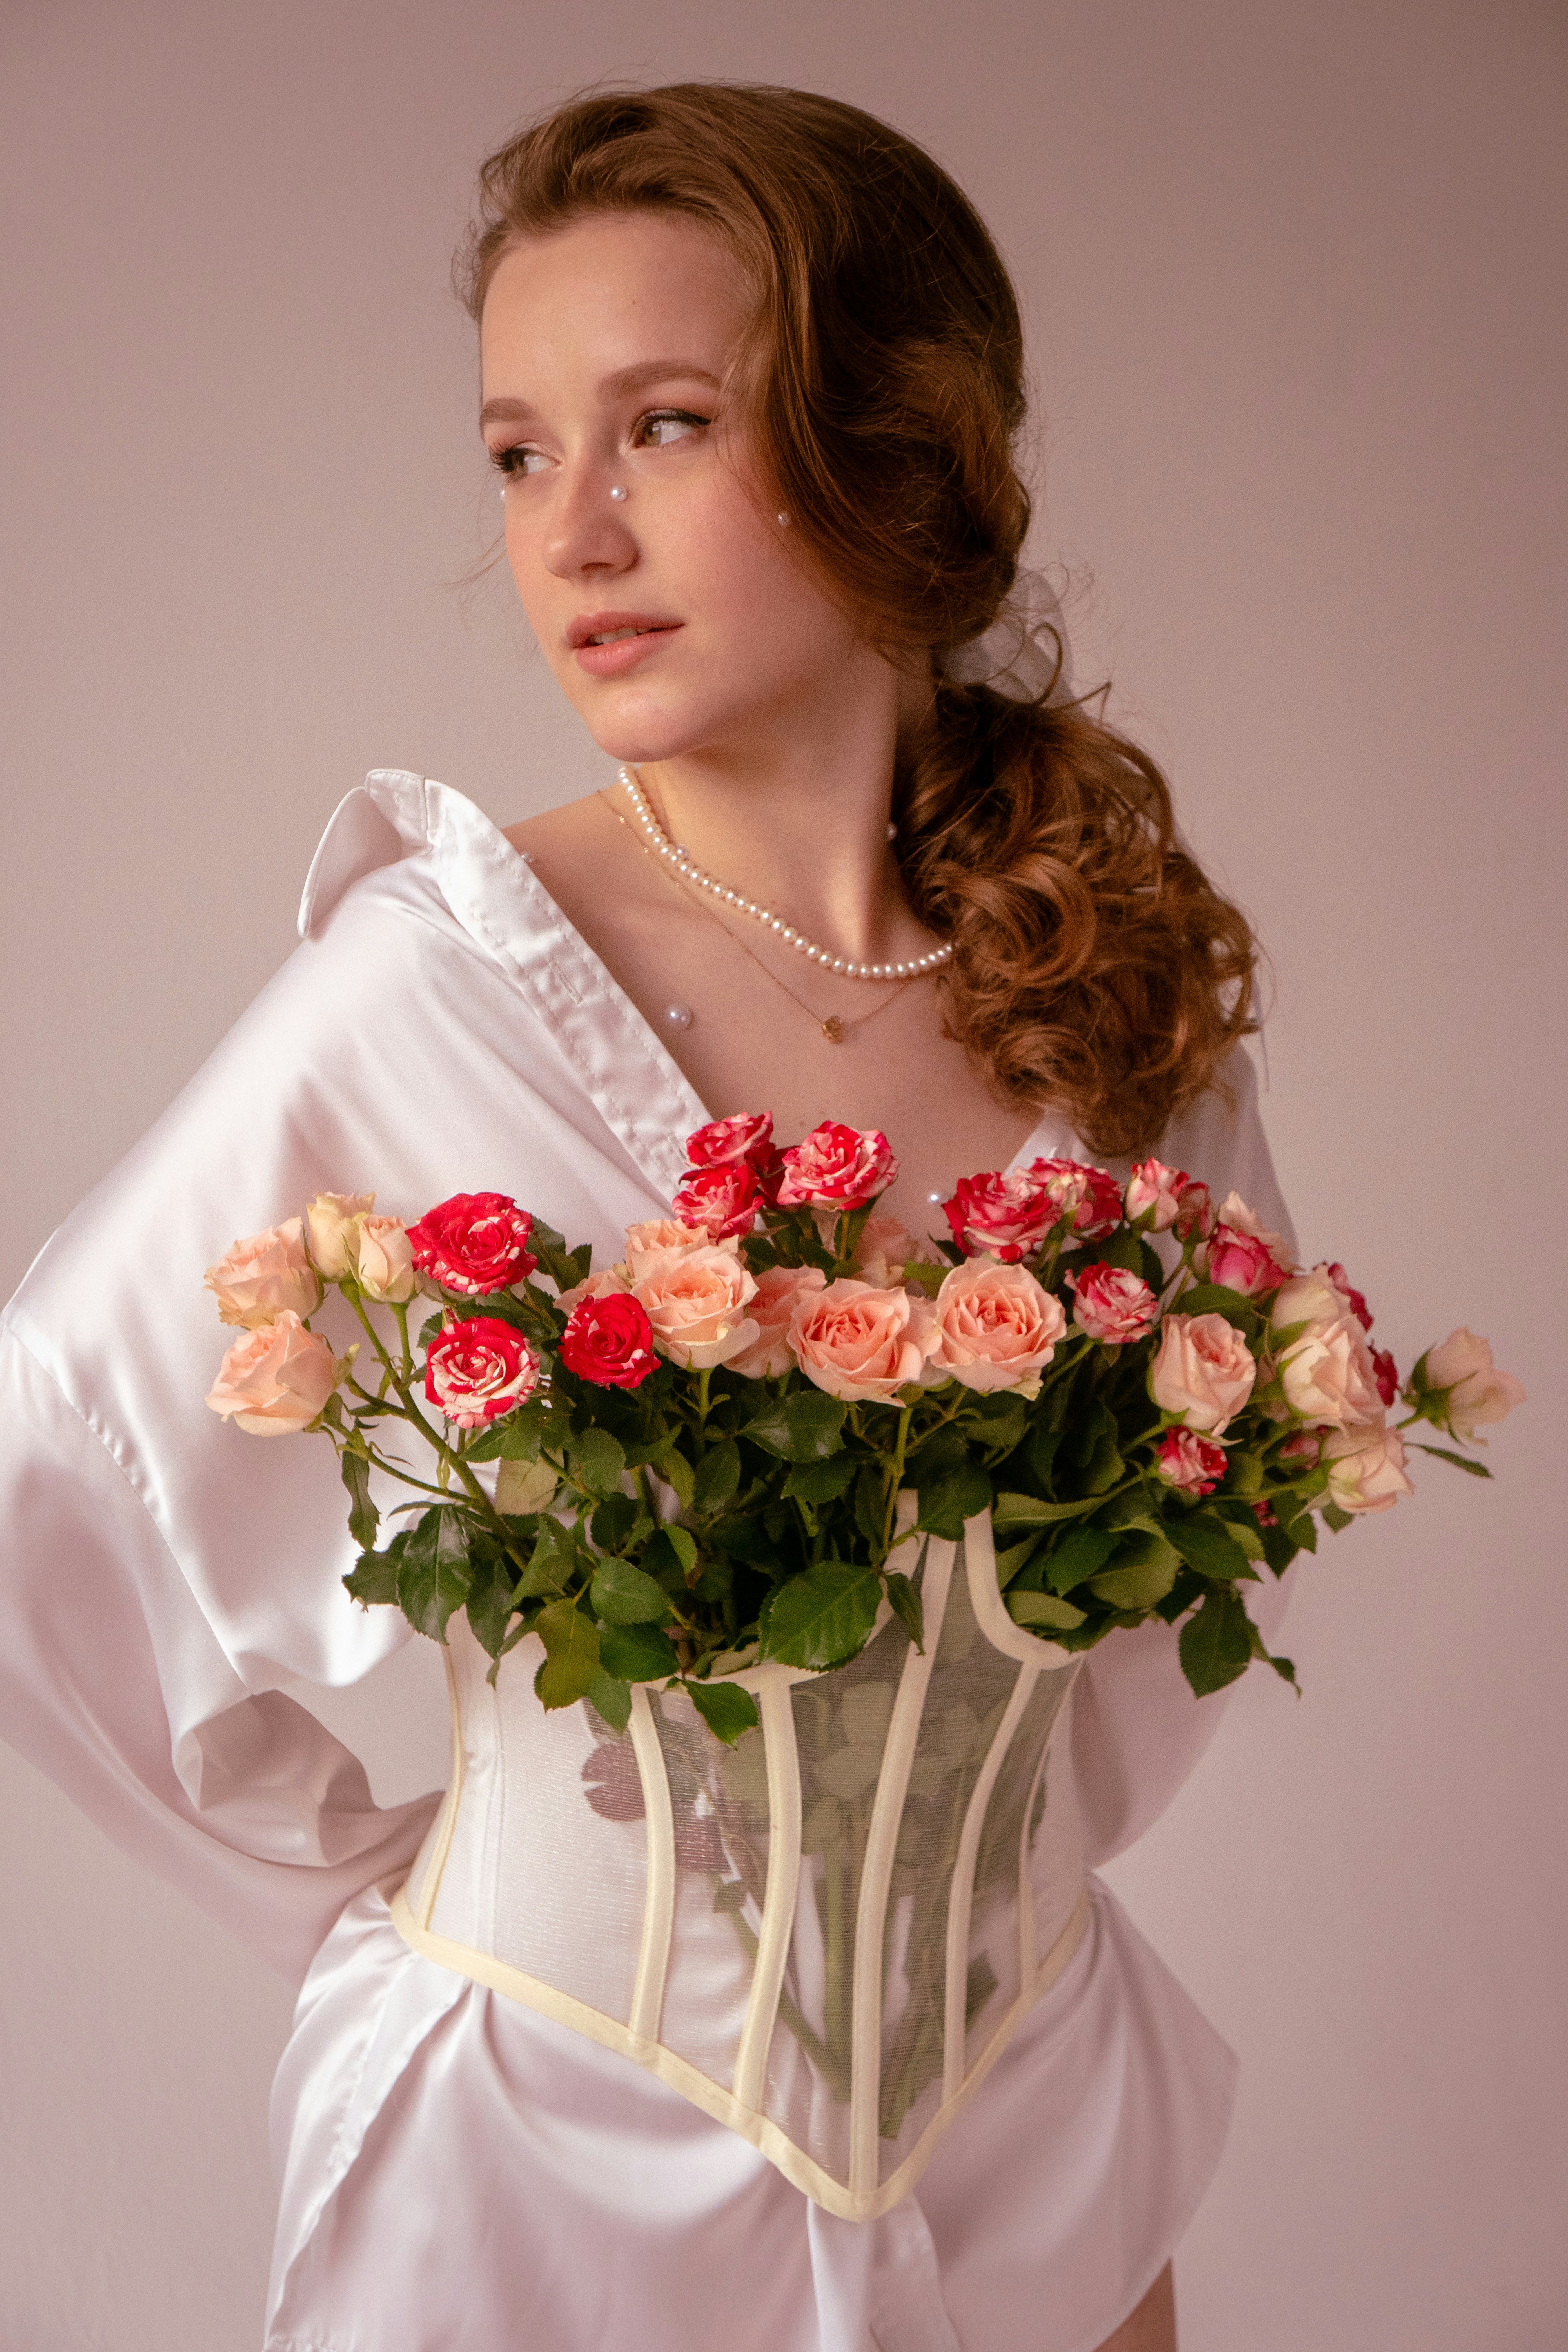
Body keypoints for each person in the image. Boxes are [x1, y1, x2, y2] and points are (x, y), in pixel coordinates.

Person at [0, 84, 1295, 2352]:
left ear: (901, 448)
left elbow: (1194, 1551)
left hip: (1031, 2132)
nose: (574, 532)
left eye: (665, 427)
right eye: (519, 453)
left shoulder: (1105, 985)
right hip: (545, 2175)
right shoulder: (432, 993)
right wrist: (421, 1902)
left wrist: (985, 1893)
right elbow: (50, 1488)